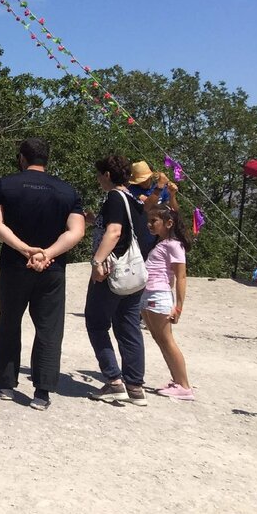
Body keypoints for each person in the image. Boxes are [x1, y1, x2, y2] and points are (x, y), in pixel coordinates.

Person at [0, 137, 85, 411]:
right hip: (52, 270)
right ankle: (42, 391)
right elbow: (76, 231)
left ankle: (6, 384)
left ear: (21, 158)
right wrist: (48, 253)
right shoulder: (67, 191)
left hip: (14, 267)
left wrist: (24, 250)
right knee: (49, 330)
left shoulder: (4, 185)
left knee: (8, 322)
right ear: (47, 159)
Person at [86, 155, 150, 406]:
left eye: (99, 174)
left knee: (96, 322)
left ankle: (114, 381)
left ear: (108, 175)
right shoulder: (135, 200)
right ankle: (135, 386)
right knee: (129, 327)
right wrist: (93, 220)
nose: (99, 180)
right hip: (136, 274)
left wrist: (97, 262)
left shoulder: (114, 197)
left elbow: (114, 232)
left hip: (112, 271)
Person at [143, 206, 194, 400]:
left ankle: (184, 386)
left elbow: (181, 276)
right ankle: (177, 381)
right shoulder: (162, 243)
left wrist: (179, 306)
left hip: (158, 294)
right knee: (159, 339)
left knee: (167, 340)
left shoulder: (174, 244)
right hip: (149, 294)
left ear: (168, 223)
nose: (150, 225)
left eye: (154, 221)